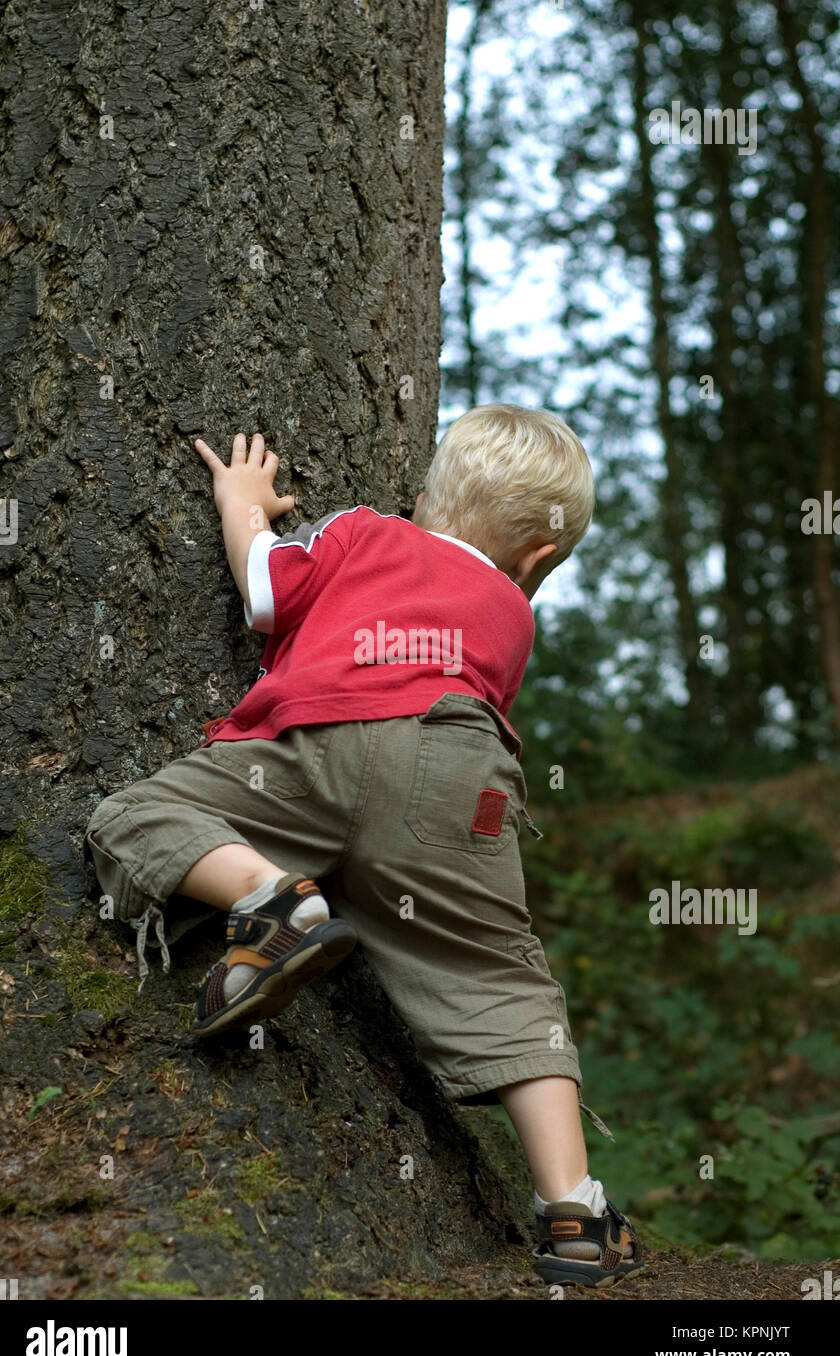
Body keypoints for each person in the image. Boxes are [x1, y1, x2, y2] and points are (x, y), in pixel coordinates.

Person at [84, 403, 642, 1288]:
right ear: (538, 561)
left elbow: (266, 595)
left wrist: (244, 502)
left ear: (423, 497)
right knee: (499, 976)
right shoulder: (513, 611)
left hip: (308, 753)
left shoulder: (364, 532)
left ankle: (269, 899)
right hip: (455, 771)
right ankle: (573, 1211)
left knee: (135, 816)